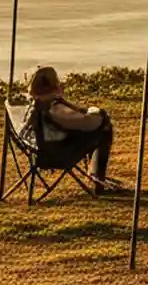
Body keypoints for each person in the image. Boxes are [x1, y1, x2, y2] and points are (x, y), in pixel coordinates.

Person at [27, 66, 116, 194]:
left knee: (100, 125)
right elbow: (87, 123)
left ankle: (96, 175)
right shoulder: (54, 107)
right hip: (57, 153)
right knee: (104, 128)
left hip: (44, 147)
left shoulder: (35, 103)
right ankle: (98, 180)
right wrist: (99, 114)